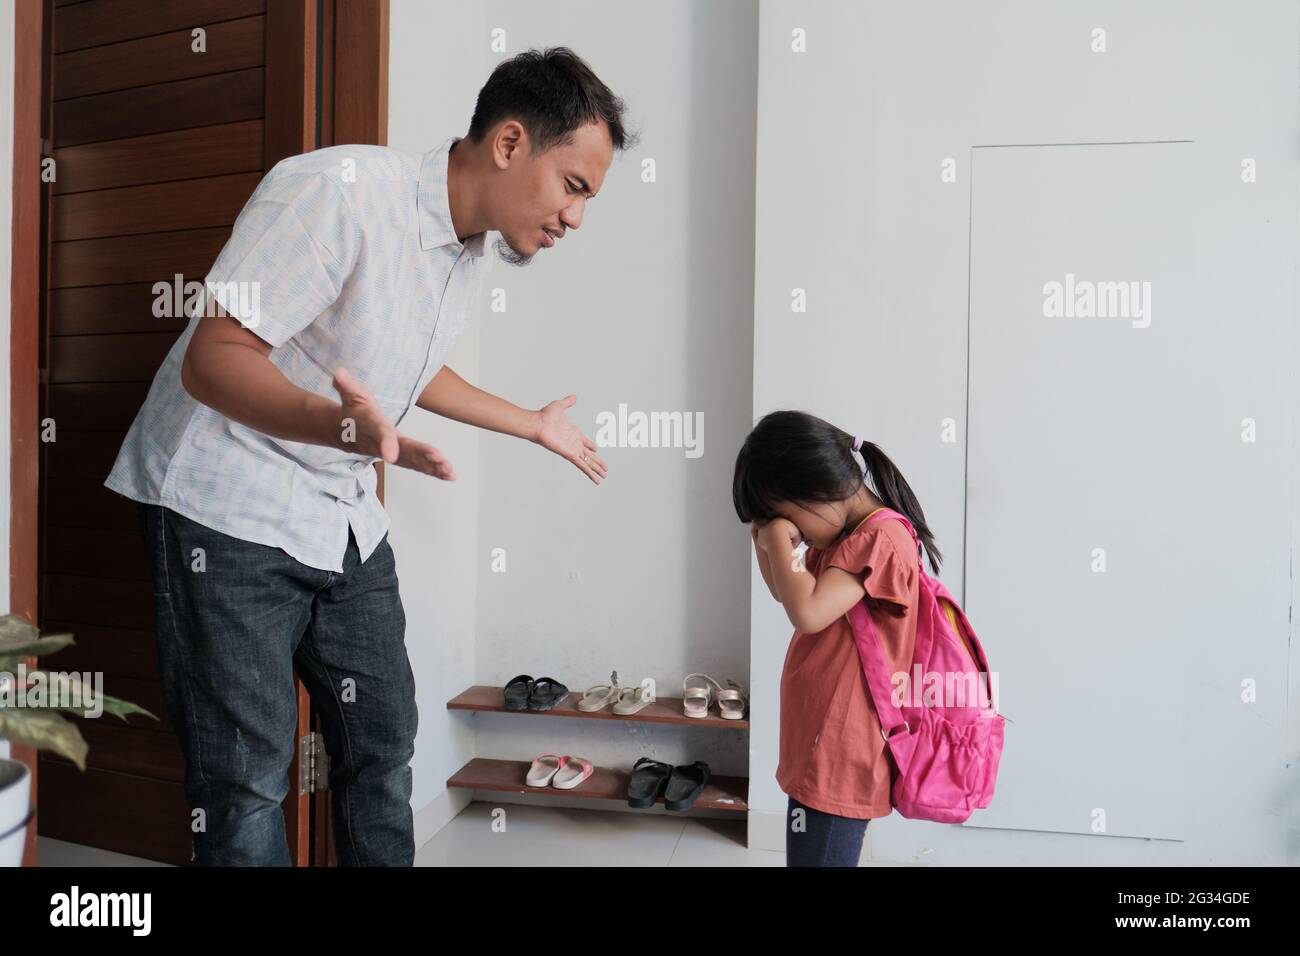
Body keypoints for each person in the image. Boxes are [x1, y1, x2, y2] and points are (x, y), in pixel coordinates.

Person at [104, 47, 634, 866]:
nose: (576, 218)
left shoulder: (465, 249)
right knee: (245, 781)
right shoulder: (335, 193)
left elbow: (409, 363)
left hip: (339, 514)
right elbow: (213, 358)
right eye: (574, 186)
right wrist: (342, 428)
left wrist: (527, 422)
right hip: (224, 502)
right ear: (510, 143)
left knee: (382, 744)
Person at [732, 410, 944, 867]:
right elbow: (785, 593)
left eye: (784, 514)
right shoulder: (846, 538)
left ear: (813, 490)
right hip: (820, 742)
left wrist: (776, 540)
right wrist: (766, 541)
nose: (791, 530)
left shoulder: (880, 539)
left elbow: (807, 613)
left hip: (843, 748)